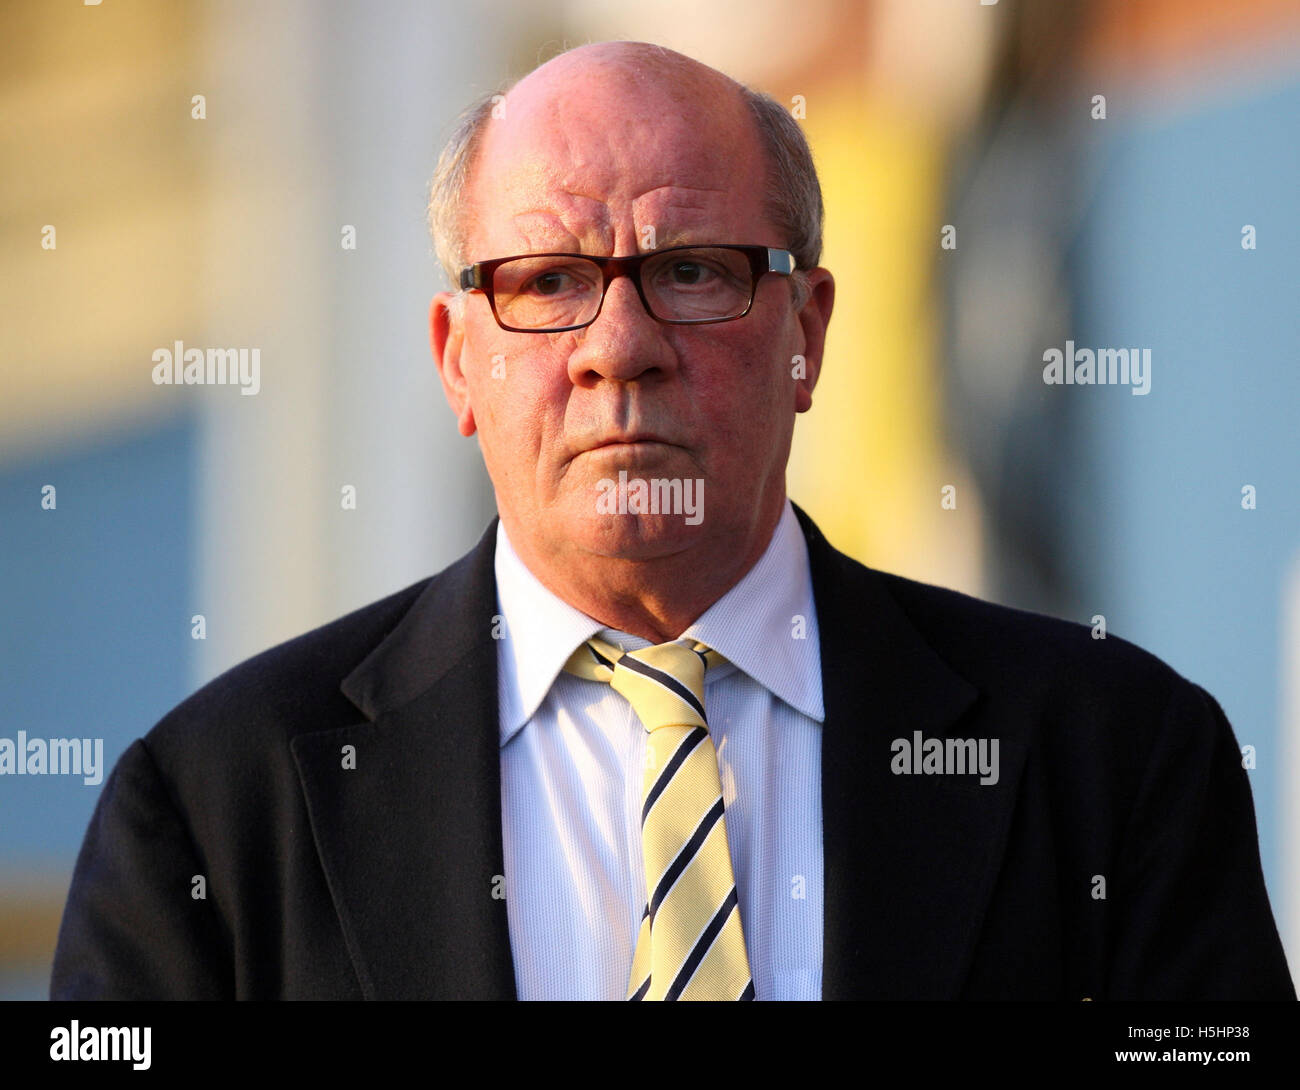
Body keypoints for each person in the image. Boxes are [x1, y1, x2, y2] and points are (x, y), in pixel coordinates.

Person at [51, 41, 1293, 1001]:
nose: (621, 348)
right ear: (455, 360)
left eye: (692, 270)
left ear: (805, 333)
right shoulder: (214, 809)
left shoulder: (1115, 759)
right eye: (547, 282)